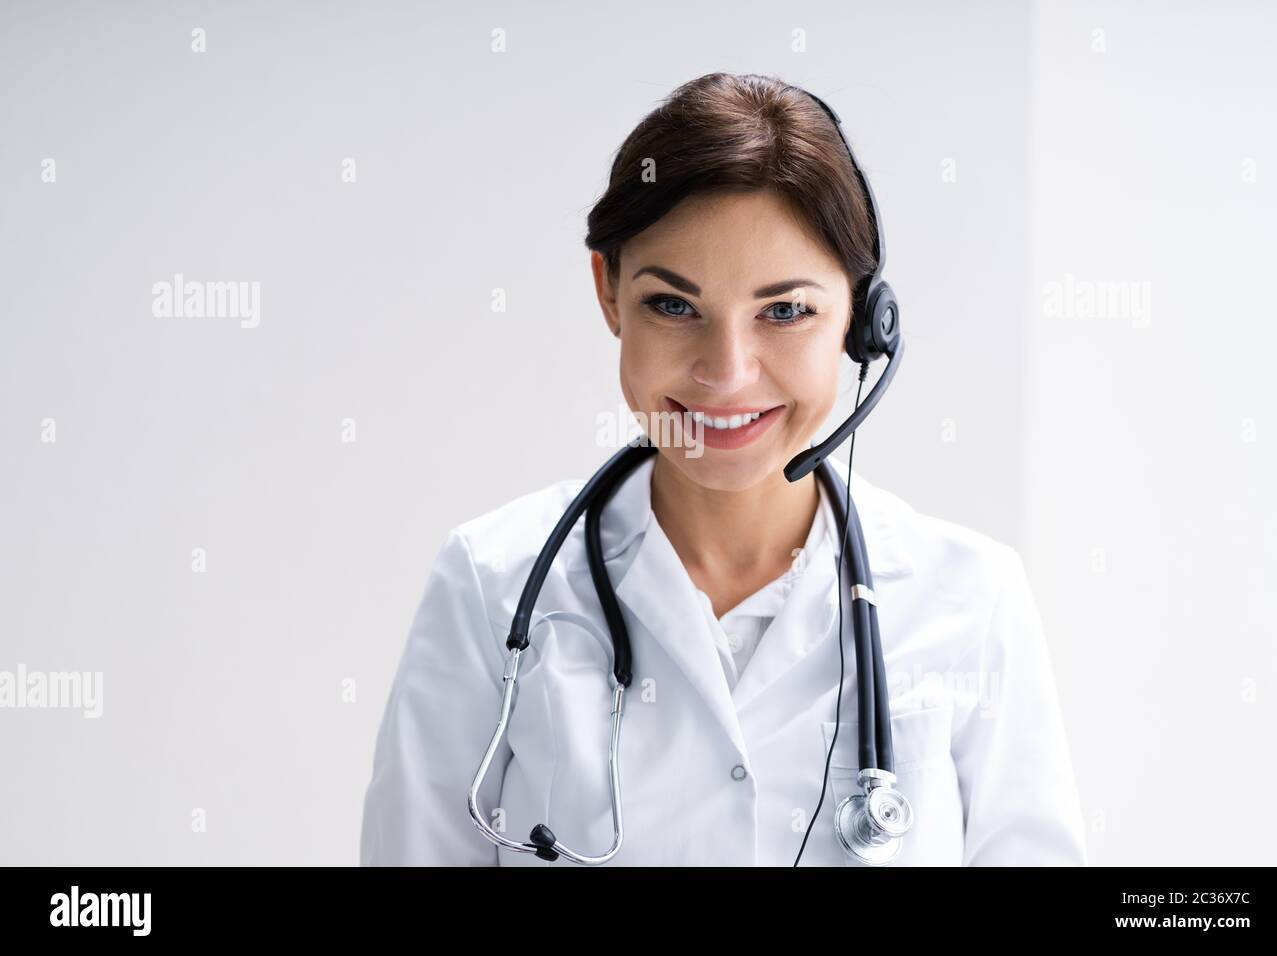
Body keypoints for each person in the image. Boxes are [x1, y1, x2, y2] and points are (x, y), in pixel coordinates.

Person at [360, 72, 1087, 866]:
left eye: (785, 311)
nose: (727, 374)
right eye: (673, 306)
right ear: (608, 293)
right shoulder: (488, 583)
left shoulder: (971, 599)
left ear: (860, 317)